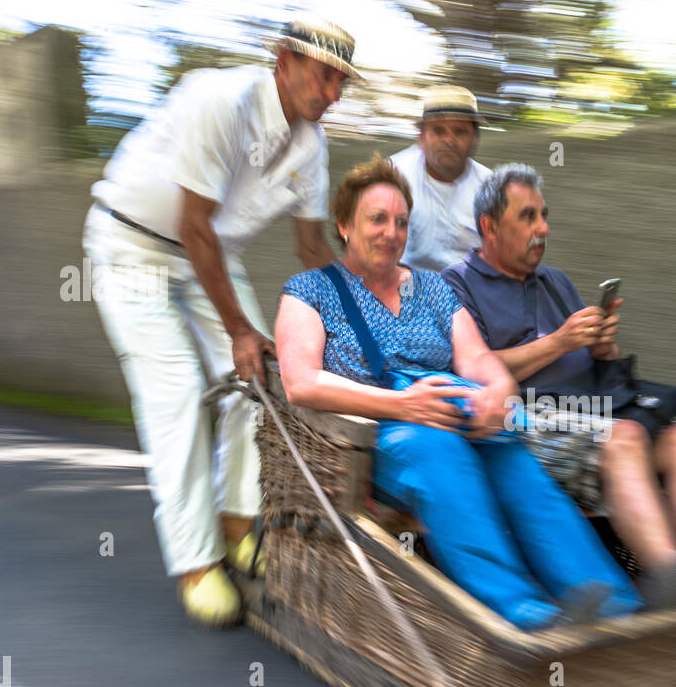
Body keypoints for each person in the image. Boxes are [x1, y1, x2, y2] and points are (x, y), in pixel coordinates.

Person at [273, 156, 644, 630]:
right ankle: (519, 610)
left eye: (401, 222)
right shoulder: (310, 290)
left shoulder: (432, 289)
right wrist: (403, 405)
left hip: (454, 413)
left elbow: (480, 361)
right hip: (377, 430)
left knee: (511, 455)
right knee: (438, 450)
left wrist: (498, 394)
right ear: (344, 225)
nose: (391, 232)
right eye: (377, 219)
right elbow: (300, 382)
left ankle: (607, 601)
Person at [82, 19, 359, 627]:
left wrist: (357, 323)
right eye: (324, 75)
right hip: (134, 248)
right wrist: (239, 329)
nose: (333, 93)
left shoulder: (311, 145)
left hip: (210, 255)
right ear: (284, 61)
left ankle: (237, 524)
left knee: (263, 381)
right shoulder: (221, 100)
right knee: (178, 392)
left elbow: (312, 249)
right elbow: (194, 226)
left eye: (342, 81)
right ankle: (194, 563)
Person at [442, 164, 676, 602]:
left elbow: (590, 361)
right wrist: (560, 343)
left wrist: (602, 349)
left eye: (544, 215)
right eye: (527, 217)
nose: (542, 228)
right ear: (489, 226)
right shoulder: (455, 285)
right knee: (627, 437)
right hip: (525, 420)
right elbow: (472, 369)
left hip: (594, 412)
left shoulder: (554, 281)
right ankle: (671, 579)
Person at [388, 86, 491, 273]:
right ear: (422, 137)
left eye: (460, 132)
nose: (449, 141)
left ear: (475, 138)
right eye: (438, 131)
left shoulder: (492, 189)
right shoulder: (392, 176)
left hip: (469, 291)